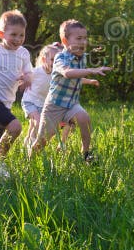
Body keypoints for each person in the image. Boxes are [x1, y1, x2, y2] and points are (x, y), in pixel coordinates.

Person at [30, 19, 110, 163]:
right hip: (54, 106)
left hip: (72, 103)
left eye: (85, 38)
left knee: (84, 118)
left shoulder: (82, 57)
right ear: (65, 41)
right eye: (78, 38)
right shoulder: (61, 57)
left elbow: (77, 78)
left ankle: (86, 154)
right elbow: (67, 73)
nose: (83, 42)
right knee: (42, 141)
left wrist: (90, 80)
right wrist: (91, 71)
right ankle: (30, 162)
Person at [0, 10, 33, 177]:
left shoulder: (23, 53)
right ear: (1, 34)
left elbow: (28, 71)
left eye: (21, 35)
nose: (17, 39)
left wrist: (27, 78)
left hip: (5, 104)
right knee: (15, 127)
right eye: (13, 34)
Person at [21, 42, 76, 152]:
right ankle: (30, 146)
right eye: (52, 60)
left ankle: (30, 141)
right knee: (37, 122)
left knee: (40, 126)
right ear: (43, 60)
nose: (54, 63)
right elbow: (24, 76)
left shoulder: (56, 74)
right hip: (30, 101)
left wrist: (89, 80)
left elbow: (74, 78)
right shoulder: (36, 71)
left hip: (43, 104)